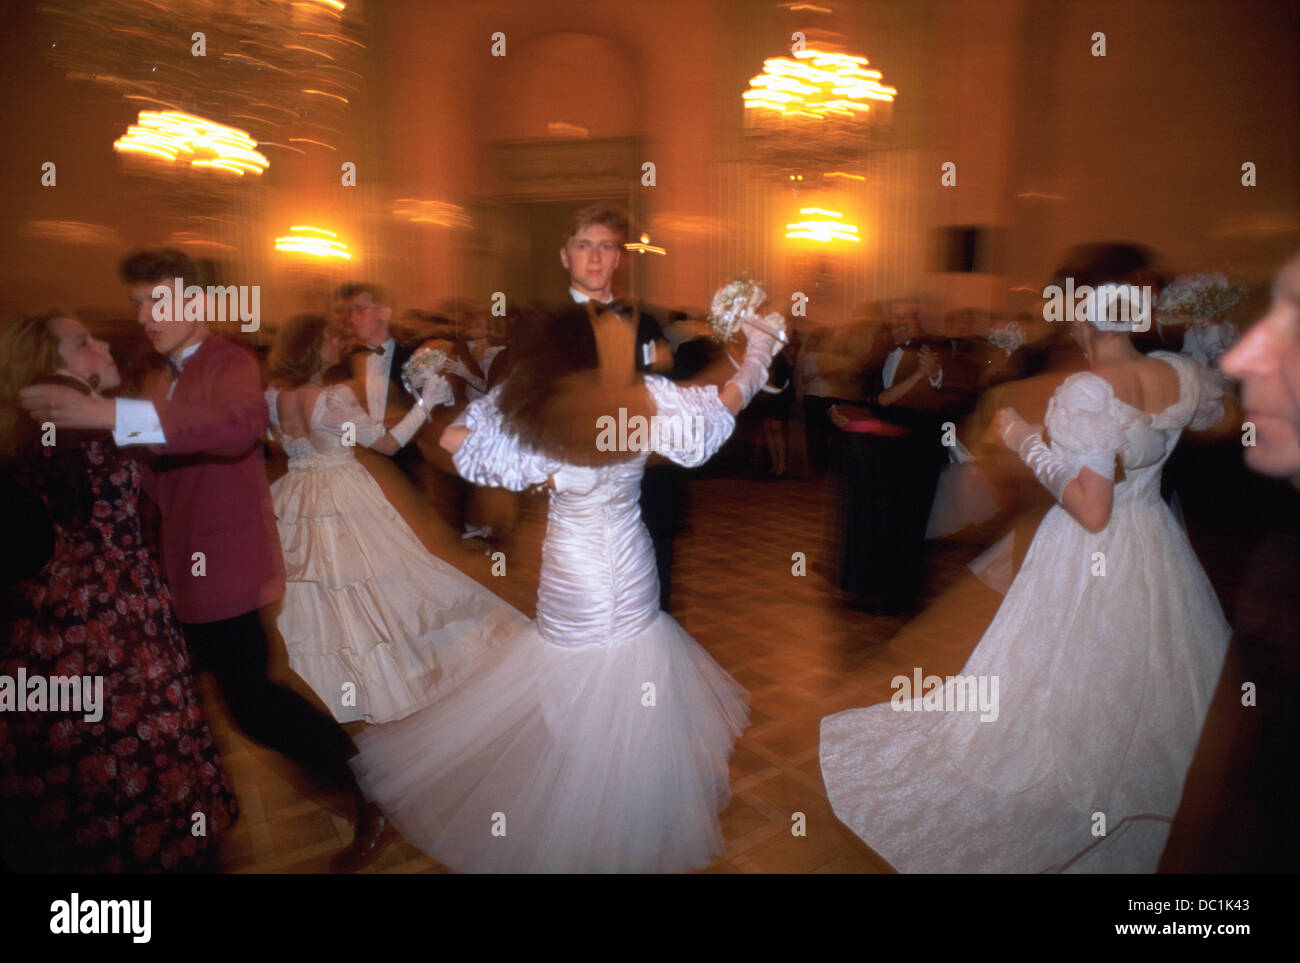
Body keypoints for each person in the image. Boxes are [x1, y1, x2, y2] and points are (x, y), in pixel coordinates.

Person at [820, 254, 1232, 872]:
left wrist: (1023, 440)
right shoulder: (1179, 371)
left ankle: (1063, 793)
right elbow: (1210, 423)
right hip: (1155, 545)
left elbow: (1091, 508)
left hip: (1086, 552)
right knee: (1144, 677)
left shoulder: (1088, 387)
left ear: (1082, 315)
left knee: (1056, 672)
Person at [347, 302, 782, 872]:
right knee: (629, 688)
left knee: (569, 683)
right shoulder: (643, 401)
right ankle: (617, 814)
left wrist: (519, 432)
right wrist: (758, 353)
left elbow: (455, 439)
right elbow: (725, 402)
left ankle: (580, 797)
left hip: (569, 571)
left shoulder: (543, 409)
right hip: (626, 569)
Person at [18, 250, 389, 872]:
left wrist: (110, 416)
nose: (145, 315)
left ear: (197, 303)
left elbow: (233, 426)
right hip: (174, 577)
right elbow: (163, 478)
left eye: (157, 301)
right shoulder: (160, 377)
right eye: (139, 302)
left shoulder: (229, 362)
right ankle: (196, 814)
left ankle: (364, 791)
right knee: (214, 704)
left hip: (226, 568)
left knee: (252, 702)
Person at [1, 311, 237, 872]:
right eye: (84, 342)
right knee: (137, 754)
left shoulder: (53, 420)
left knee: (104, 766)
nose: (104, 346)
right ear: (48, 368)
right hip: (111, 619)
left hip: (82, 610)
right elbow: (208, 424)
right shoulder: (71, 420)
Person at [264, 314, 527, 724]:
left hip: (298, 498)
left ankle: (329, 689)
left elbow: (280, 441)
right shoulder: (332, 398)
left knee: (319, 595)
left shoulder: (274, 397)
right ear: (314, 347)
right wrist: (426, 403)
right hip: (342, 495)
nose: (338, 343)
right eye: (331, 338)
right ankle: (387, 678)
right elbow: (386, 444)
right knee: (386, 583)